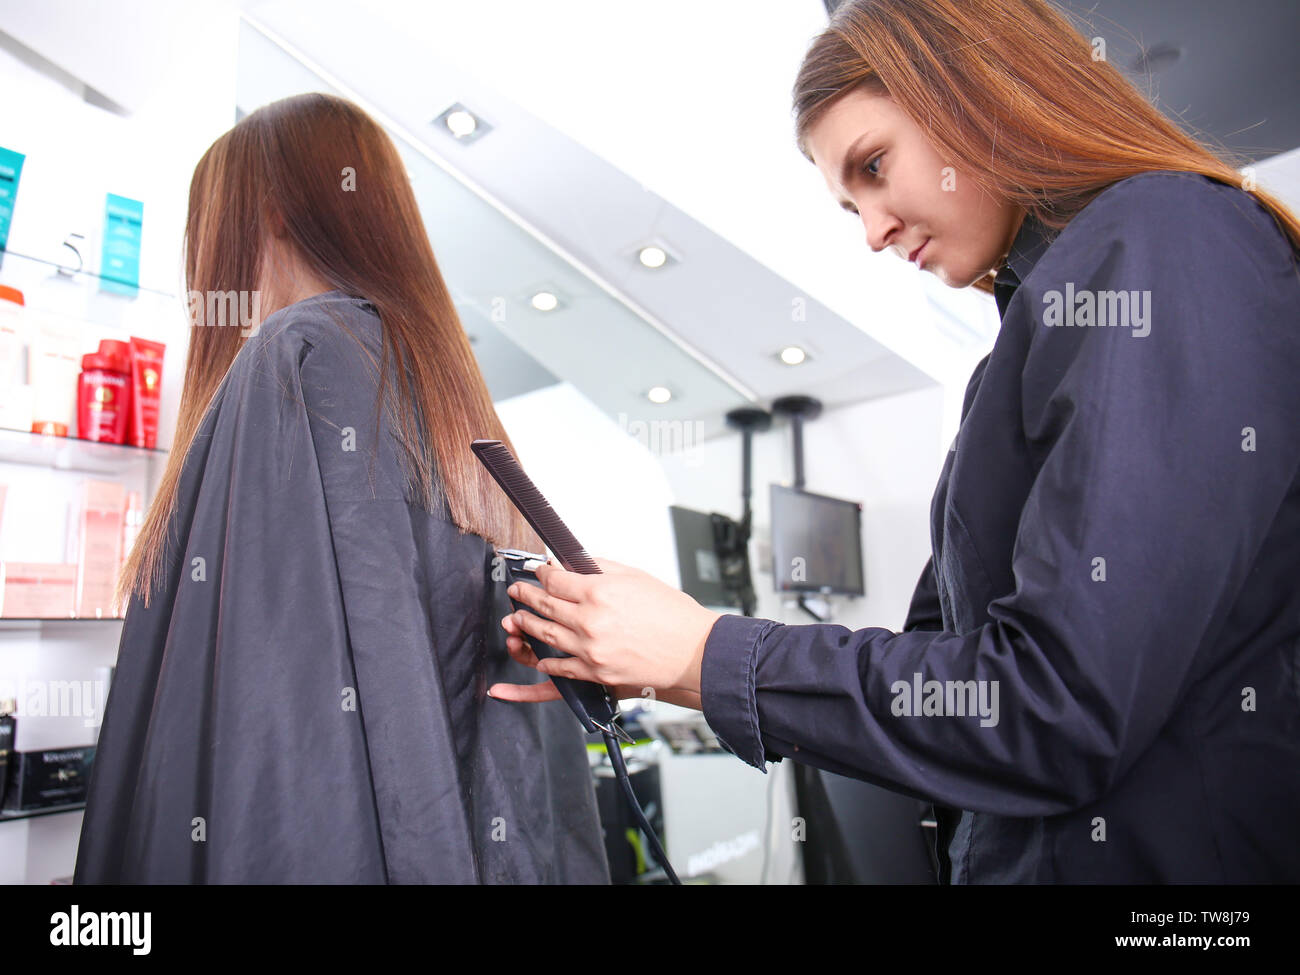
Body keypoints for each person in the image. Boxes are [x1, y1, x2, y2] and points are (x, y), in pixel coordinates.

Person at [490, 0, 1300, 883]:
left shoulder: (1162, 240)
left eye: (875, 167)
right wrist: (648, 650)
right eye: (850, 207)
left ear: (979, 87)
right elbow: (949, 674)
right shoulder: (1015, 360)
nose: (873, 232)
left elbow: (1056, 709)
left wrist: (701, 651)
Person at [74, 93, 610, 883]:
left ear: (274, 212)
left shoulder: (301, 352)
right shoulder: (436, 383)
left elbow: (285, 763)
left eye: (211, 227)